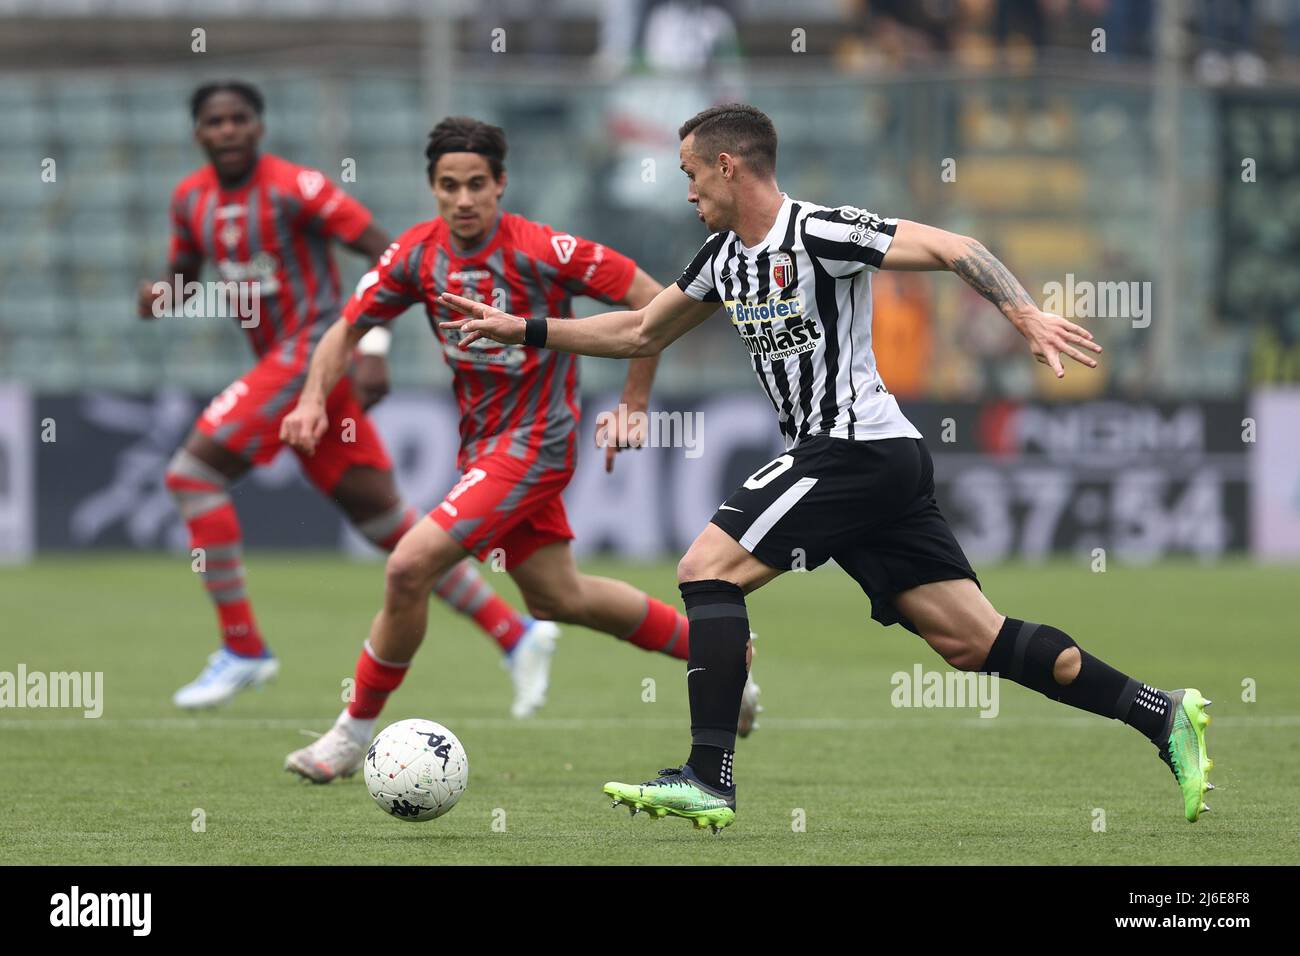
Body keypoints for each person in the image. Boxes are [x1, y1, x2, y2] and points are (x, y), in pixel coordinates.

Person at [438, 103, 1214, 832]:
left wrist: (1025, 314)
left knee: (707, 568)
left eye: (691, 175)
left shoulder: (821, 231)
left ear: (728, 167)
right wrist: (524, 329)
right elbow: (641, 331)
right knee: (973, 641)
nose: (687, 192)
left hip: (854, 448)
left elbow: (955, 248)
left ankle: (708, 775)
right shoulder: (722, 259)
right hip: (868, 466)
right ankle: (1160, 712)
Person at [279, 116, 760, 783]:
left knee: (408, 566)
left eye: (477, 184)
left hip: (537, 445)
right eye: (450, 185)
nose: (464, 199)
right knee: (560, 598)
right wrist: (311, 401)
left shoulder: (543, 249)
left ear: (500, 184)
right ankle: (726, 657)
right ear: (433, 188)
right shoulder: (415, 255)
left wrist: (633, 404)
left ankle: (350, 734)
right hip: (483, 448)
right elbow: (345, 330)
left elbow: (649, 300)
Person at [140, 82, 552, 715]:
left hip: (311, 351)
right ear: (198, 133)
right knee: (384, 521)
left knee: (192, 474)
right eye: (214, 122)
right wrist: (160, 296)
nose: (227, 130)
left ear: (259, 127)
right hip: (299, 382)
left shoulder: (296, 188)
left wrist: (374, 345)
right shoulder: (190, 199)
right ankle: (514, 632)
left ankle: (243, 648)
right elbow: (184, 275)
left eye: (239, 119)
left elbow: (385, 254)